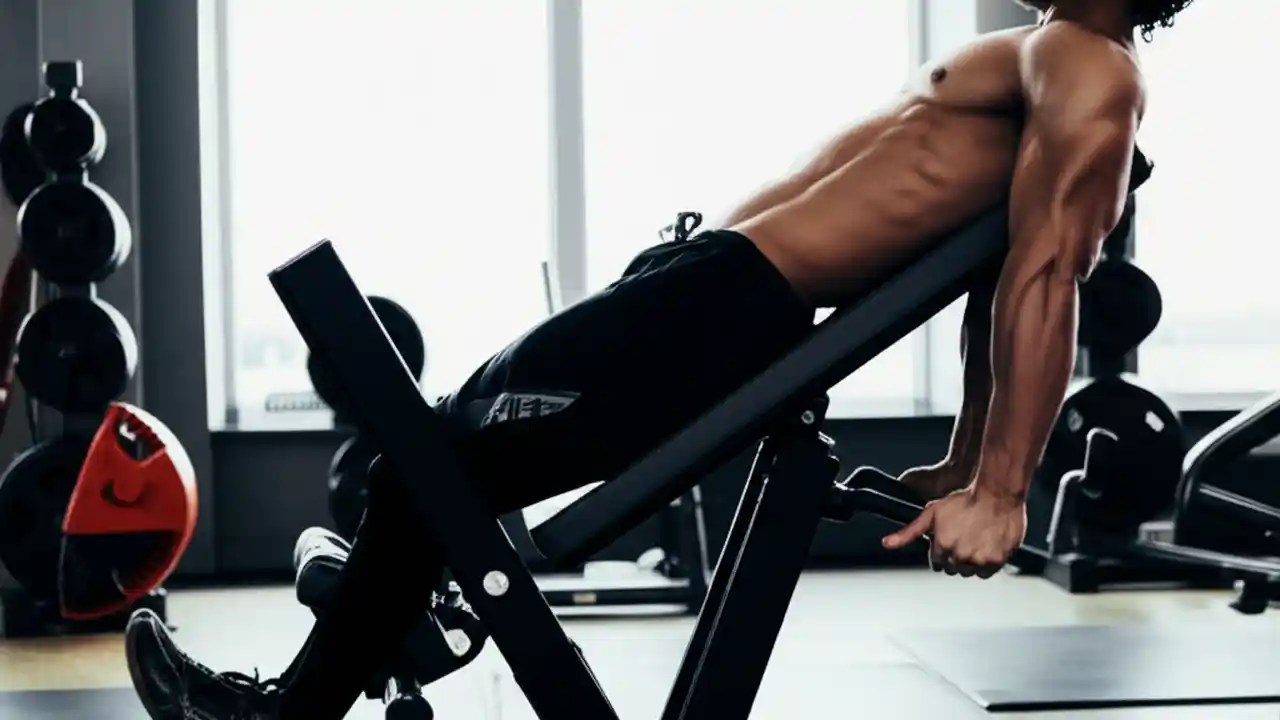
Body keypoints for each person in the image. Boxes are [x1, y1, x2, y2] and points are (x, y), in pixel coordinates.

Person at [125, 1, 1193, 717]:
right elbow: (991, 283)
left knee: (431, 466)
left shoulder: (1087, 65)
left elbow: (1045, 270)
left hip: (717, 314)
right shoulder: (1047, 52)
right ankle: (376, 637)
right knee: (431, 462)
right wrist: (964, 458)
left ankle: (307, 691)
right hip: (696, 293)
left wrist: (1002, 490)